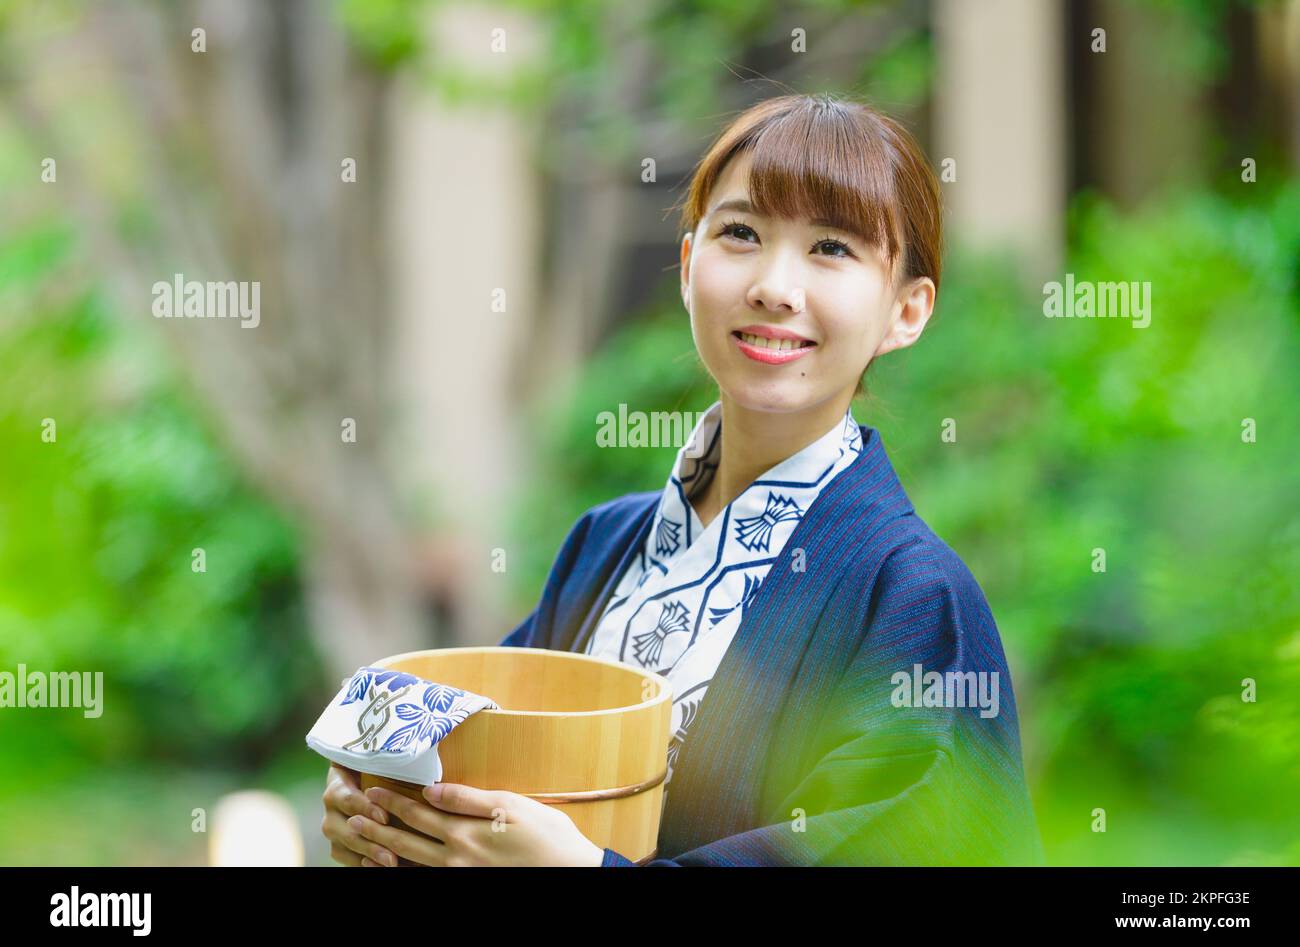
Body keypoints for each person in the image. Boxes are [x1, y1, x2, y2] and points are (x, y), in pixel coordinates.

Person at [321, 92, 1044, 867]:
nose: (775, 285)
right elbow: (480, 759)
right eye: (741, 233)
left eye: (832, 248)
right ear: (690, 263)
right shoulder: (604, 545)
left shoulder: (915, 597)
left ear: (907, 310)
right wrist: (384, 801)